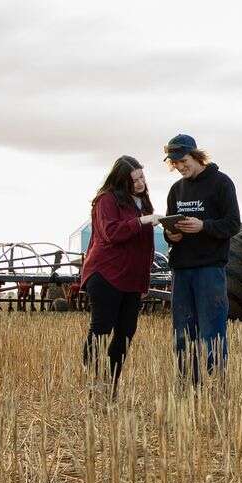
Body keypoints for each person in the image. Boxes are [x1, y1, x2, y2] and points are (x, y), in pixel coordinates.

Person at [162, 134, 241, 383]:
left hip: (209, 269)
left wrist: (203, 226)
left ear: (196, 156)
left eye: (183, 161)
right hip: (182, 269)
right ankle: (187, 383)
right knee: (183, 332)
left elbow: (233, 224)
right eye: (175, 163)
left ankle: (215, 383)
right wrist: (170, 234)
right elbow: (168, 225)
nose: (180, 167)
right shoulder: (176, 190)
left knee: (212, 330)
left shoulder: (221, 183)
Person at [78, 156, 159, 389]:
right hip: (106, 274)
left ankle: (111, 383)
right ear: (121, 180)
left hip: (132, 279)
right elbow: (111, 233)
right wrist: (142, 221)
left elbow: (145, 249)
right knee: (101, 329)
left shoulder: (142, 203)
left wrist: (143, 283)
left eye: (142, 177)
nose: (140, 183)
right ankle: (92, 379)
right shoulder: (106, 200)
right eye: (134, 180)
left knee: (126, 333)